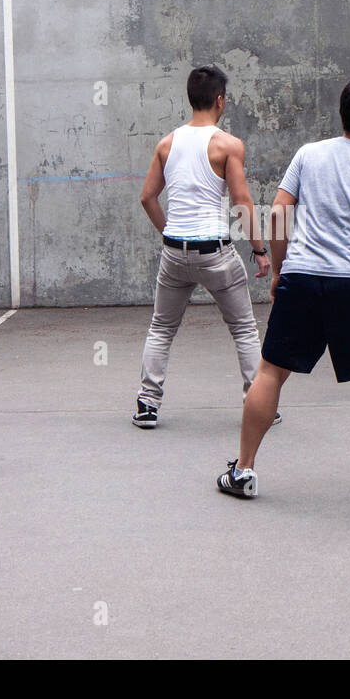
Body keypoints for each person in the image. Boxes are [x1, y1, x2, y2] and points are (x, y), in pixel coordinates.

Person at [217, 77, 350, 506]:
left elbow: (278, 213)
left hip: (301, 279)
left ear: (342, 114)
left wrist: (280, 272)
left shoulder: (308, 155)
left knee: (270, 372)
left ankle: (242, 472)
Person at [134, 65, 276, 428]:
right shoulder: (228, 145)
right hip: (216, 253)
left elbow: (148, 197)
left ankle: (147, 405)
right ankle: (258, 403)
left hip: (174, 253)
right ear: (220, 101)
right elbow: (242, 202)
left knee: (161, 328)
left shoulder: (166, 144)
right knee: (244, 329)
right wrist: (260, 251)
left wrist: (172, 234)